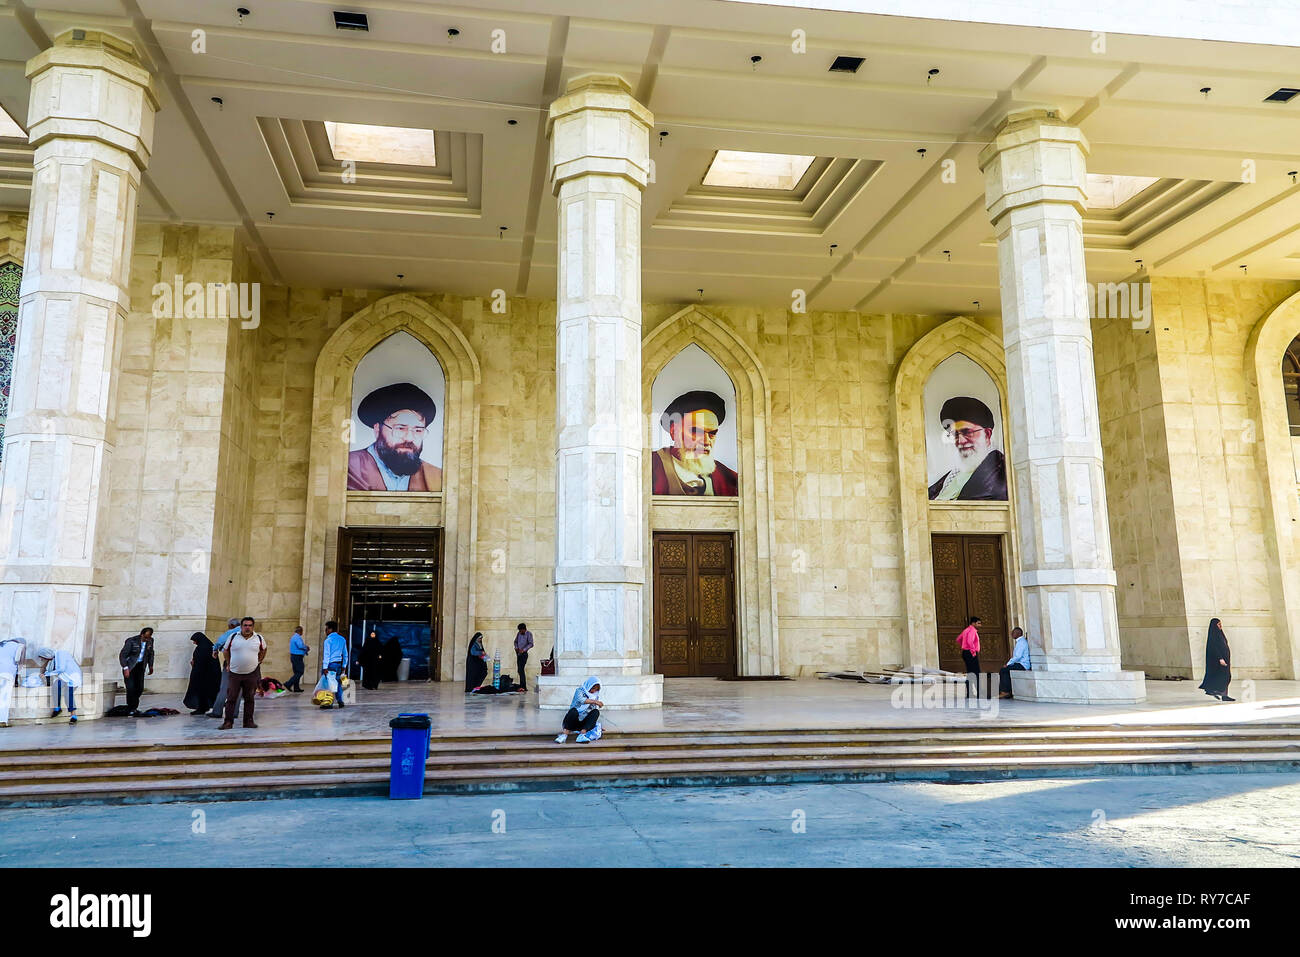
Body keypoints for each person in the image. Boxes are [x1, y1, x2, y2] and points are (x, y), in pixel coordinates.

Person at [347, 383, 443, 491]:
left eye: (418, 430)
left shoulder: (435, 477)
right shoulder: (348, 466)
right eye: (400, 428)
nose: (410, 438)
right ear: (377, 429)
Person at [651, 390, 739, 496]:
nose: (706, 441)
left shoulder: (731, 480)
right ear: (674, 432)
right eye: (697, 432)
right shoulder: (648, 467)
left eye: (712, 433)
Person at [928, 396, 1007, 501]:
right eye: (955, 434)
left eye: (967, 432)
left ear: (987, 434)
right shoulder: (957, 472)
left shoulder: (999, 469)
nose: (960, 441)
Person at [220, 617, 266, 730]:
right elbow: (225, 650)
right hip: (235, 673)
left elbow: (264, 649)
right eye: (245, 625)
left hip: (251, 673)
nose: (247, 627)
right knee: (231, 698)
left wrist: (258, 661)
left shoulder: (259, 638)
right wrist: (229, 663)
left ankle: (248, 721)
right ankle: (228, 722)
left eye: (250, 625)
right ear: (241, 626)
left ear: (253, 627)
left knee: (249, 698)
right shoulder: (233, 637)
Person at [36, 647, 83, 724]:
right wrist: (44, 671)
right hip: (64, 677)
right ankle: (57, 708)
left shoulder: (61, 654)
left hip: (73, 677)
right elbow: (50, 669)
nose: (44, 660)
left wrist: (47, 674)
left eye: (44, 658)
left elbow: (61, 669)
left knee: (68, 693)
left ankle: (73, 716)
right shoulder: (53, 658)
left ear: (47, 655)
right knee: (55, 686)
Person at [206, 619, 242, 718]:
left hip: (231, 661)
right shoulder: (251, 633)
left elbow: (220, 642)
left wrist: (215, 650)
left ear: (231, 625)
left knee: (225, 687)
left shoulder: (231, 632)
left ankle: (217, 712)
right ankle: (234, 712)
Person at [182, 632, 222, 715]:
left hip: (202, 674)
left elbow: (202, 662)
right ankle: (204, 707)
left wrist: (195, 664)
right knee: (204, 692)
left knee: (201, 691)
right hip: (208, 674)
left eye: (195, 641)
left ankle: (201, 708)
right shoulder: (209, 646)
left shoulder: (203, 648)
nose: (194, 643)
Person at [118, 627, 155, 716]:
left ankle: (133, 706)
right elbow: (123, 655)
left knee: (139, 688)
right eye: (145, 637)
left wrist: (150, 665)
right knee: (130, 688)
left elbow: (151, 653)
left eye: (148, 637)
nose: (146, 639)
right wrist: (125, 668)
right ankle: (132, 708)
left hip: (140, 666)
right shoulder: (131, 641)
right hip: (130, 667)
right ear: (141, 634)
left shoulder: (151, 641)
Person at [555, 677, 603, 744]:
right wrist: (595, 702)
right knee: (573, 711)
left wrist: (595, 725)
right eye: (593, 688)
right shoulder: (580, 691)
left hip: (583, 724)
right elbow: (581, 700)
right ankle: (564, 735)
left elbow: (592, 710)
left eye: (596, 689)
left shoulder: (595, 695)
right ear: (589, 685)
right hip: (573, 721)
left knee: (595, 712)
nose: (593, 691)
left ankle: (582, 735)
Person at [1199, 618, 1234, 701]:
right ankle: (1213, 690)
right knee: (1223, 677)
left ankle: (1224, 695)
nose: (1220, 626)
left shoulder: (1220, 634)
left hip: (1225, 660)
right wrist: (1220, 658)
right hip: (1218, 661)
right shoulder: (1213, 636)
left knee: (1226, 676)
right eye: (1218, 624)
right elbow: (1214, 648)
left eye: (1220, 624)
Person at [320, 621, 349, 710]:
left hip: (330, 665)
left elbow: (327, 654)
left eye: (327, 628)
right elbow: (345, 654)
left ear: (330, 629)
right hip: (339, 664)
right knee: (338, 683)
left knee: (329, 684)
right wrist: (344, 665)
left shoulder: (328, 640)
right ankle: (340, 701)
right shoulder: (342, 639)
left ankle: (329, 703)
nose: (325, 630)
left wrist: (325, 667)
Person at [998, 626, 1031, 699]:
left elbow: (1017, 656)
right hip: (1020, 664)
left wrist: (1008, 664)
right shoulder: (1020, 641)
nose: (1011, 634)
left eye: (1013, 632)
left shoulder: (1021, 642)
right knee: (1005, 671)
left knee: (1003, 670)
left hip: (1022, 665)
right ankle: (1007, 691)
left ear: (1019, 633)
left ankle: (1005, 692)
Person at [0, 638, 26, 728]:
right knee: (4, 698)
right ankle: (2, 721)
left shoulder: (2, 644)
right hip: (7, 674)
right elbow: (19, 662)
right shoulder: (21, 646)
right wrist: (18, 677)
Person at [957, 616, 981, 698]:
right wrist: (972, 650)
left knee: (970, 673)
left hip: (966, 653)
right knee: (977, 673)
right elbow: (970, 641)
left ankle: (969, 693)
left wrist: (964, 647)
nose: (980, 625)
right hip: (971, 653)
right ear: (973, 623)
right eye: (978, 623)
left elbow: (958, 639)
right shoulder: (972, 630)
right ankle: (979, 693)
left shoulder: (966, 630)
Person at [286, 626, 309, 692]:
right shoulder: (297, 637)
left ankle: (296, 688)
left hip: (294, 656)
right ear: (300, 631)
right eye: (302, 631)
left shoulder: (294, 637)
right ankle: (288, 683)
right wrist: (306, 647)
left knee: (296, 672)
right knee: (300, 672)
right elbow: (300, 646)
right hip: (297, 657)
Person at [514, 623, 534, 692]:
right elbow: (515, 642)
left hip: (524, 654)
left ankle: (523, 686)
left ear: (524, 629)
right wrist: (516, 648)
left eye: (521, 630)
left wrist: (524, 650)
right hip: (518, 653)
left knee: (521, 669)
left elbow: (531, 644)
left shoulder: (529, 634)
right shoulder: (518, 634)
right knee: (519, 670)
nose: (520, 632)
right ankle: (521, 685)